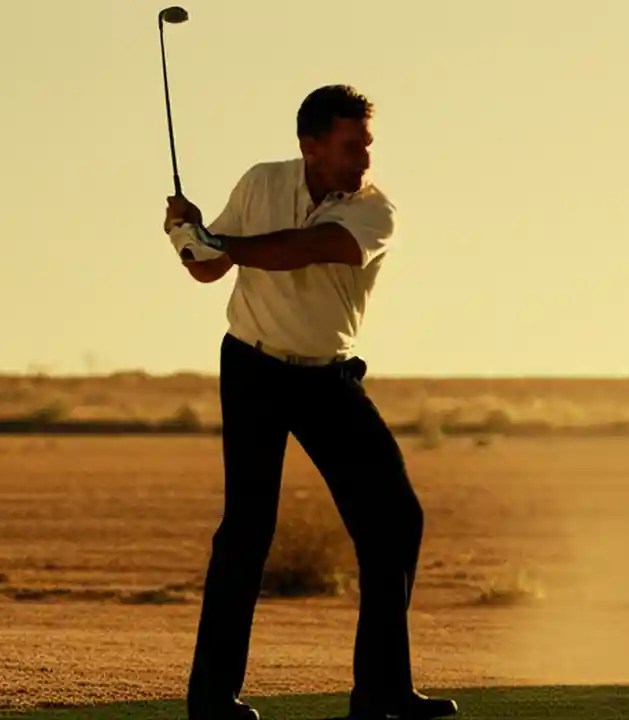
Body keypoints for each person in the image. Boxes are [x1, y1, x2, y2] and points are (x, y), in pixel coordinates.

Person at [163, 84, 458, 720]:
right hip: (251, 367)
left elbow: (310, 248)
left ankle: (381, 691)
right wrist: (186, 235)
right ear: (311, 146)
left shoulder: (374, 211)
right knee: (247, 530)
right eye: (352, 146)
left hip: (326, 378)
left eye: (368, 146)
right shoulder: (261, 182)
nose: (364, 160)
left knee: (394, 520)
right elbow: (207, 269)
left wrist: (218, 241)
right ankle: (212, 702)